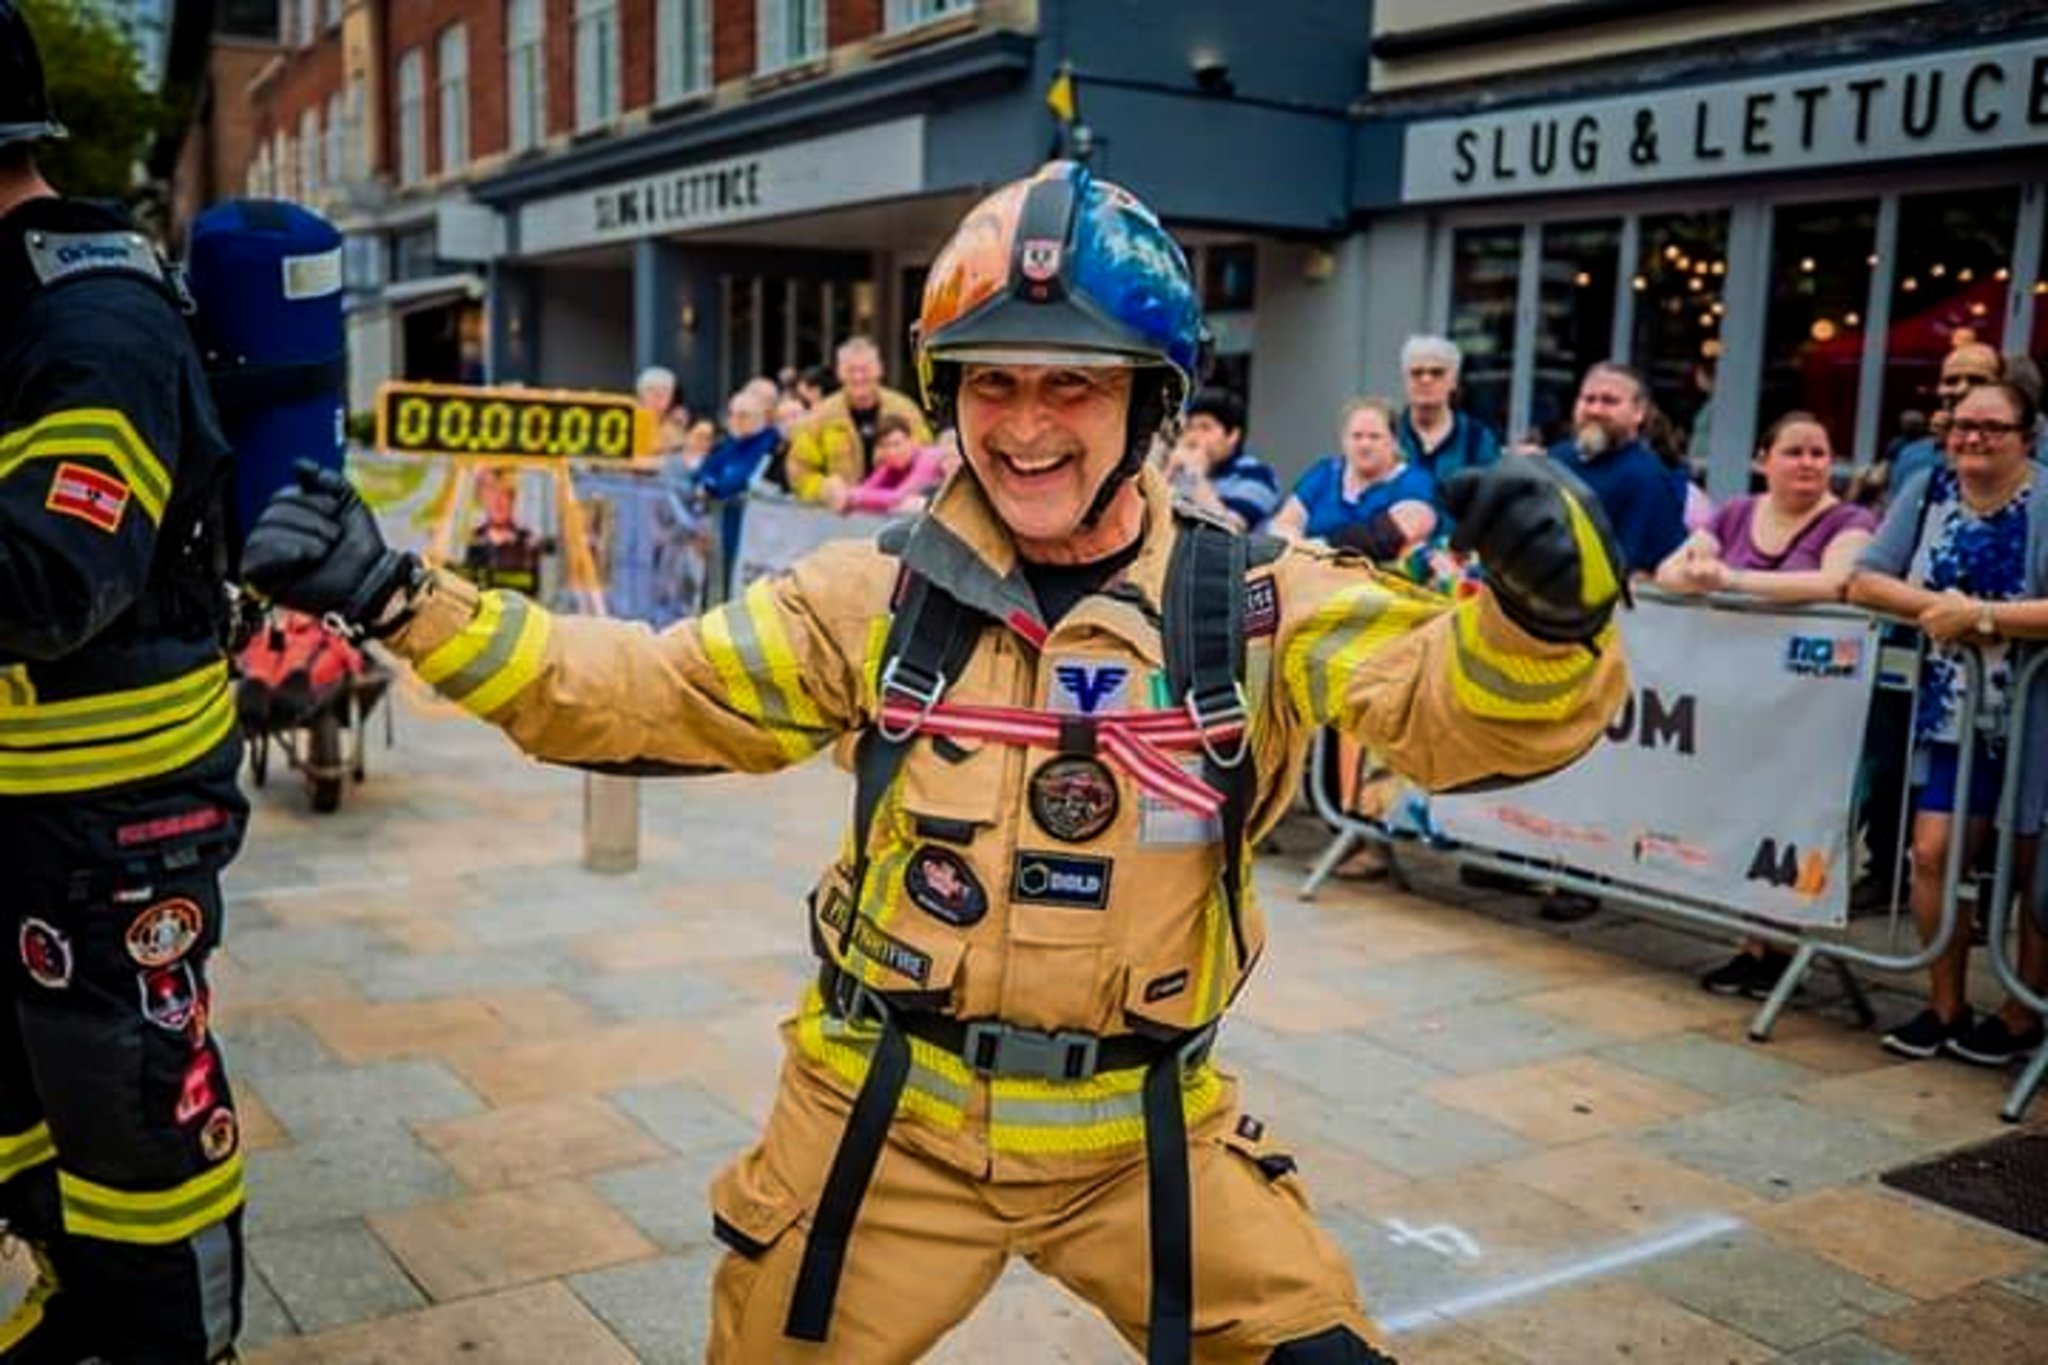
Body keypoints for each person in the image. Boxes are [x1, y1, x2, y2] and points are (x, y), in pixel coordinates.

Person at [241, 159, 1628, 1365]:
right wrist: (403, 594)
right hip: (877, 1124)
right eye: (994, 383)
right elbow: (638, 694)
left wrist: (1546, 623)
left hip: (1148, 1138)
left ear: (1150, 401)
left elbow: (1453, 715)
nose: (1026, 425)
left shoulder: (1255, 600)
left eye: (1073, 383)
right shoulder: (872, 597)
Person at [0, 6, 249, 1357]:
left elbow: (47, 577)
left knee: (140, 1134)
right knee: (30, 1104)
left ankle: (163, 1344)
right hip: (29, 814)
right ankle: (73, 1303)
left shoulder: (95, 321)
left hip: (112, 826)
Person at [1849, 380, 2048, 1065]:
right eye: (1962, 424)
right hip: (1951, 713)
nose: (1973, 437)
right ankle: (1945, 1005)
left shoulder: (2047, 498)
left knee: (2030, 869)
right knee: (1931, 853)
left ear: (2028, 433)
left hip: (2035, 717)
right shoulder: (1930, 490)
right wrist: (1937, 606)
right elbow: (1865, 578)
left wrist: (1985, 618)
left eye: (1992, 426)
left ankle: (2023, 1013)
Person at [1659, 412, 1878, 997]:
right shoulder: (1733, 514)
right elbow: (1670, 570)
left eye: (1819, 452)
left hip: (1814, 709)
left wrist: (1728, 579)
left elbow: (1835, 584)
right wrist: (1698, 573)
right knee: (1744, 815)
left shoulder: (1851, 520)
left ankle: (1784, 946)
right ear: (1764, 459)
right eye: (1794, 451)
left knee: (1796, 819)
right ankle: (1753, 944)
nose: (1808, 463)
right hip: (1737, 706)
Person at [1549, 361, 1689, 576]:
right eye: (1588, 399)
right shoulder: (1555, 460)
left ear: (1639, 413)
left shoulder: (1649, 478)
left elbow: (1640, 568)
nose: (1595, 409)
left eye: (1609, 401)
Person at [1271, 398, 1436, 558]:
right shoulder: (1324, 473)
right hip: (1313, 576)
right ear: (1343, 440)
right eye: (1357, 436)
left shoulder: (1414, 479)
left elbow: (1408, 526)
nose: (1365, 444)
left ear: (1394, 441)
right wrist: (1296, 546)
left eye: (1375, 436)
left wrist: (1323, 548)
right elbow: (1283, 526)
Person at [785, 336, 929, 506]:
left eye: (865, 369)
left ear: (879, 369)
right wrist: (823, 488)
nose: (858, 377)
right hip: (840, 521)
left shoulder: (906, 410)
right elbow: (798, 470)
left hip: (896, 517)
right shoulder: (821, 416)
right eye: (851, 370)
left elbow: (928, 461)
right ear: (839, 372)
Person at [1889, 343, 2003, 500]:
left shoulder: (2018, 456)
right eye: (1951, 381)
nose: (1961, 389)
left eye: (1977, 380)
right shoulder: (1912, 455)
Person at [1163, 387, 1280, 532]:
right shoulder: (1181, 472)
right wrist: (1169, 469)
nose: (1193, 436)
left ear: (1233, 436)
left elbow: (1230, 530)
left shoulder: (1257, 475)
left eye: (1205, 427)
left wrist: (1196, 475)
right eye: (1190, 427)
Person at [1392, 335, 1499, 493]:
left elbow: (1493, 500)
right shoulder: (1387, 432)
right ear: (1405, 380)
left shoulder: (1477, 439)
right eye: (1416, 373)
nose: (1426, 380)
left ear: (1454, 381)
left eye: (1437, 373)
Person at [834, 415, 948, 516]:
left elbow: (899, 496)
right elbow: (866, 489)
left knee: (908, 504)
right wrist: (848, 498)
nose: (891, 452)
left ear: (913, 441)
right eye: (884, 446)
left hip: (959, 516)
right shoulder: (890, 464)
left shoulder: (929, 458)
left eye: (896, 444)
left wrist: (851, 495)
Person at [637, 364, 693, 455]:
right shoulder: (629, 419)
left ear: (672, 397)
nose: (658, 396)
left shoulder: (676, 423)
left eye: (665, 390)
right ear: (640, 394)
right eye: (651, 389)